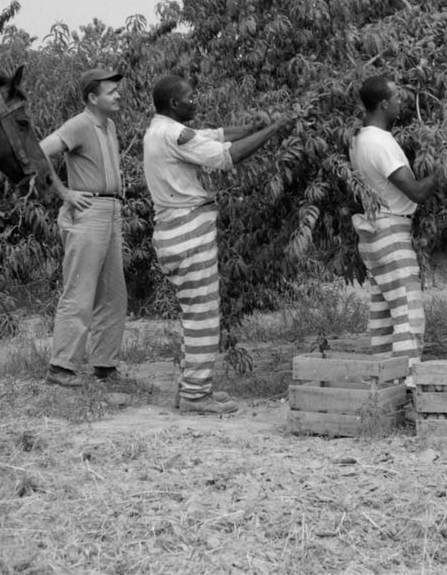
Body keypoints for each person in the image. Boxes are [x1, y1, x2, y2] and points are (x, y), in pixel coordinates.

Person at [142, 75, 291, 414]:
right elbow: (226, 156)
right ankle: (196, 396)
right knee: (203, 317)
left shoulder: (162, 130)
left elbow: (218, 136)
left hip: (175, 230)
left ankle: (193, 388)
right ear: (175, 104)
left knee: (197, 313)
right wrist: (274, 129)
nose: (196, 101)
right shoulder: (173, 134)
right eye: (190, 97)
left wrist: (255, 125)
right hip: (187, 231)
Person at [38, 68, 129, 389]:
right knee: (80, 291)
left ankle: (105, 365)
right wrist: (64, 193)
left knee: (114, 294)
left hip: (111, 210)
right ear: (93, 98)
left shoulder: (110, 125)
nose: (118, 95)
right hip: (88, 210)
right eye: (111, 91)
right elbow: (39, 152)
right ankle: (61, 367)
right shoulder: (78, 124)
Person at [348, 75, 438, 367]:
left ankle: (384, 383)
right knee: (408, 315)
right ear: (384, 104)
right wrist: (444, 169)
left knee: (384, 315)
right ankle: (406, 384)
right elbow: (416, 192)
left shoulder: (358, 139)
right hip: (391, 230)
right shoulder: (379, 143)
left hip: (374, 232)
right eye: (397, 97)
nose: (402, 101)